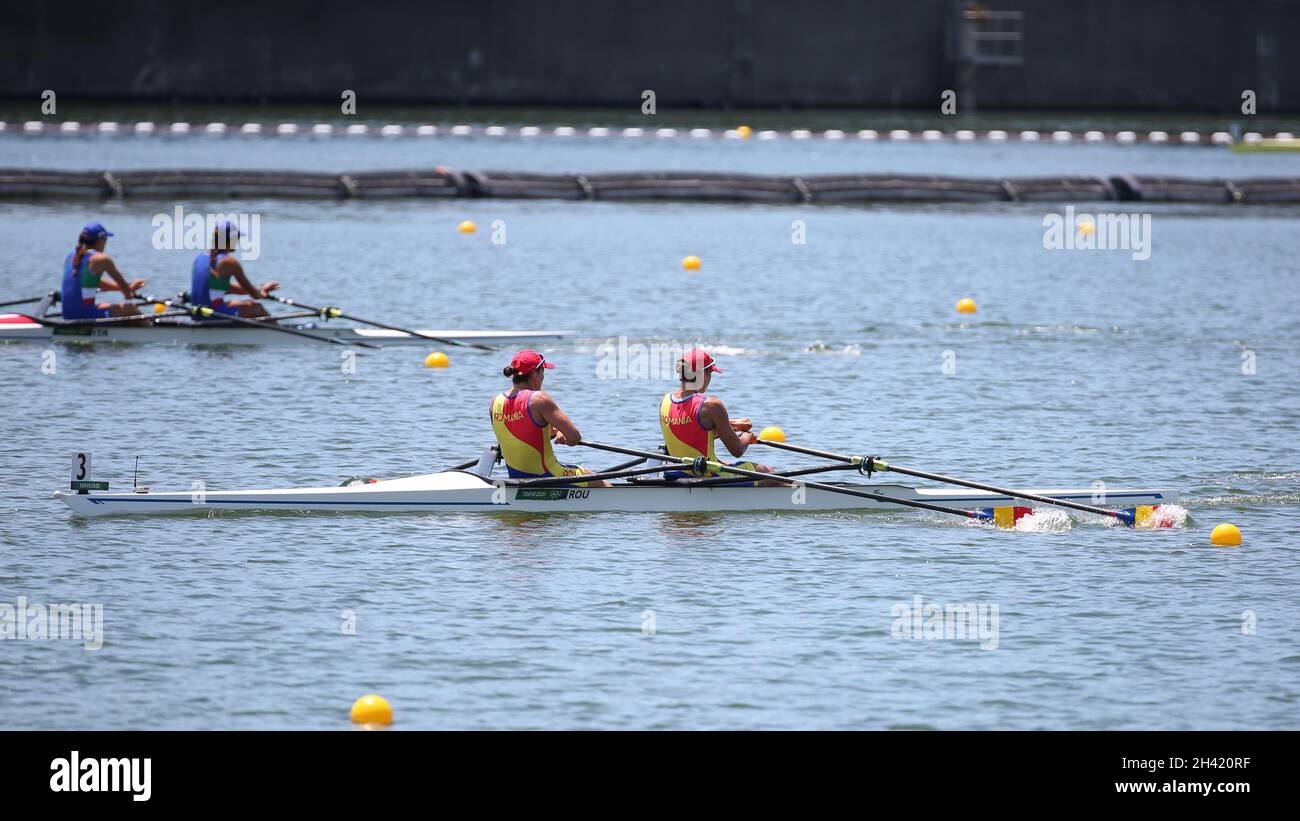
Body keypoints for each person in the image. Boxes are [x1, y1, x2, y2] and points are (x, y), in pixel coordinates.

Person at [659, 348, 781, 485]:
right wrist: (748, 436)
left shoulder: (665, 401)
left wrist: (731, 425)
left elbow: (690, 431)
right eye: (711, 373)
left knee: (728, 463)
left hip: (677, 472)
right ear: (704, 374)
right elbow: (737, 450)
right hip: (707, 475)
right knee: (771, 474)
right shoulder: (712, 406)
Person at [489, 350, 610, 486]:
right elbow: (575, 438)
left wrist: (556, 432)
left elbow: (525, 432)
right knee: (602, 482)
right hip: (548, 476)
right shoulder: (539, 399)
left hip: (516, 478)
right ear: (536, 374)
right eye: (543, 373)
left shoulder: (495, 402)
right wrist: (566, 438)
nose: (543, 378)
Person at [190, 221, 279, 318]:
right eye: (237, 238)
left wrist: (261, 288)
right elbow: (255, 295)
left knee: (239, 303)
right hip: (213, 315)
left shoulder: (199, 258)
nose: (238, 241)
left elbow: (229, 288)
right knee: (257, 308)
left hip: (197, 314)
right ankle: (279, 333)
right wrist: (261, 292)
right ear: (231, 239)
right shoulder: (229, 262)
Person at [60, 222, 145, 320]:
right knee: (132, 309)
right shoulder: (101, 259)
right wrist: (129, 291)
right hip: (84, 315)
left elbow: (96, 282)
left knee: (108, 305)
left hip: (67, 314)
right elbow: (126, 290)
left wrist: (125, 288)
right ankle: (152, 333)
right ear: (101, 240)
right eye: (106, 239)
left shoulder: (72, 256)